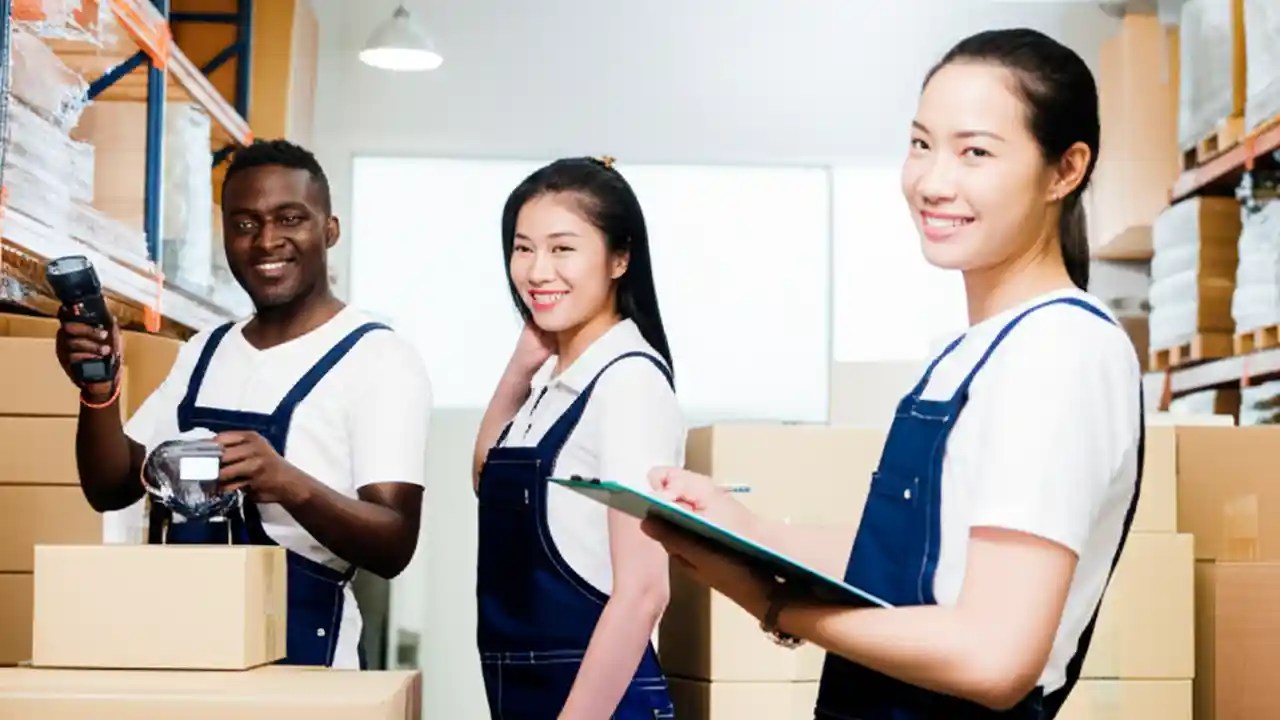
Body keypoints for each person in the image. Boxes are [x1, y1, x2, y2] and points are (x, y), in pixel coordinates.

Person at [642, 28, 1144, 719]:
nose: (933, 182)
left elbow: (994, 656)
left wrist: (780, 606)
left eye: (975, 152)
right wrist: (745, 529)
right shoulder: (976, 350)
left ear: (1065, 170)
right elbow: (922, 565)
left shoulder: (1062, 351)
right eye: (920, 144)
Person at [55, 139, 431, 670]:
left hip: (304, 666)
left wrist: (286, 482)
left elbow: (395, 544)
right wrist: (98, 392)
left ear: (330, 230)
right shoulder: (205, 352)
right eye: (246, 223)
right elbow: (109, 486)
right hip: (180, 652)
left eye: (290, 218)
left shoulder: (378, 359)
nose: (267, 241)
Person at [472, 156, 683, 719]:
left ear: (619, 258)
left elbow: (643, 592)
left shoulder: (628, 382)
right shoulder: (554, 380)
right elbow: (485, 477)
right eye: (523, 248)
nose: (538, 270)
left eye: (562, 248)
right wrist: (518, 373)